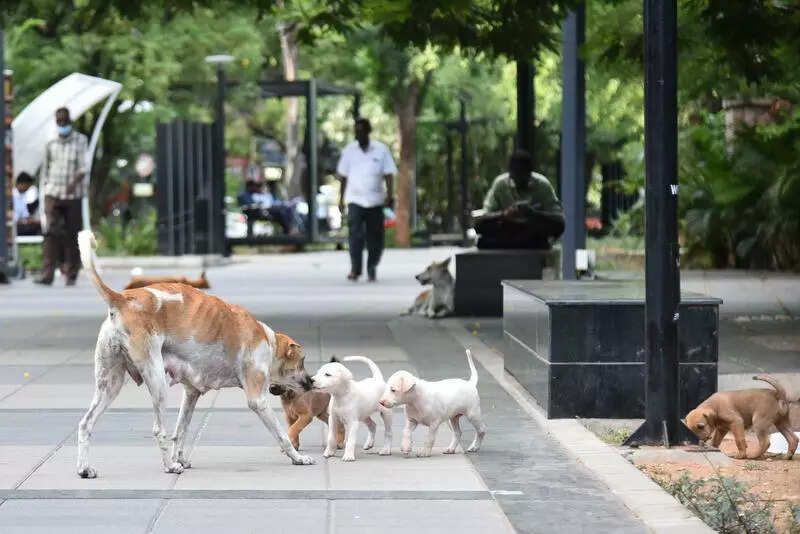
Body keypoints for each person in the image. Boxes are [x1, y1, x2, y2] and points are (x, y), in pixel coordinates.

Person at [336, 117, 397, 282]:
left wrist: (390, 196)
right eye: (356, 131)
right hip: (355, 200)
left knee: (375, 237)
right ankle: (355, 269)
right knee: (355, 236)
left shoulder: (381, 150)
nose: (359, 134)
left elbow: (389, 174)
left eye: (362, 131)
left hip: (376, 200)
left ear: (368, 132)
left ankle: (372, 266)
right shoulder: (349, 151)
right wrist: (340, 200)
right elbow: (343, 177)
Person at [35, 107, 89, 286]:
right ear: (56, 122)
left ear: (70, 121)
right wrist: (45, 189)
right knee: (51, 232)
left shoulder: (81, 140)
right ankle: (47, 274)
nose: (62, 125)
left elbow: (83, 167)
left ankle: (71, 273)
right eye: (59, 122)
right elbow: (46, 169)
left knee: (73, 233)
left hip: (73, 194)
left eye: (64, 121)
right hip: (53, 193)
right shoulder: (50, 142)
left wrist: (73, 183)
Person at [474, 150, 565, 249]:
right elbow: (485, 215)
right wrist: (505, 214)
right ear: (510, 172)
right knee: (480, 224)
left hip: (531, 229)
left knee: (557, 225)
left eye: (522, 174)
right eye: (515, 174)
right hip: (507, 229)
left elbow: (558, 219)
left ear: (530, 172)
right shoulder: (500, 183)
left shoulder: (542, 184)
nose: (518, 178)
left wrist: (533, 213)